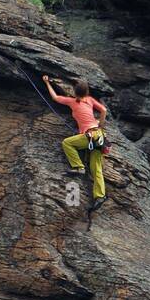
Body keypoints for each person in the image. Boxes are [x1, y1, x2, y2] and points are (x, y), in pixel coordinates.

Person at [42, 74, 109, 211]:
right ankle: (100, 196)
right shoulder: (90, 100)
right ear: (87, 92)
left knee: (67, 143)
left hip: (89, 136)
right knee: (96, 168)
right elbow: (104, 110)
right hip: (99, 136)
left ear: (75, 93)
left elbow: (55, 98)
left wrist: (47, 83)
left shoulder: (72, 102)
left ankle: (78, 167)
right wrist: (100, 124)